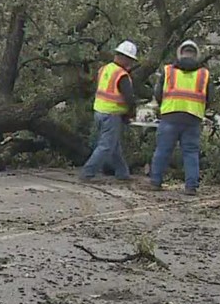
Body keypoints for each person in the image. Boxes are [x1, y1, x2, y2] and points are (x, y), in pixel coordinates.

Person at [148, 40, 212, 195]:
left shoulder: (168, 71)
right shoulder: (204, 74)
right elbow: (210, 98)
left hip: (170, 116)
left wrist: (165, 106)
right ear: (196, 55)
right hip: (193, 117)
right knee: (190, 153)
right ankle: (191, 186)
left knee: (163, 150)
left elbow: (158, 94)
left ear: (180, 53)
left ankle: (155, 182)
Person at [80, 41, 139, 181]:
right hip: (112, 113)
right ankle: (88, 172)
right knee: (106, 146)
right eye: (130, 59)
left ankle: (122, 173)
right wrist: (131, 113)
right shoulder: (122, 75)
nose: (131, 63)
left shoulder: (104, 69)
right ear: (125, 58)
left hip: (99, 111)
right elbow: (129, 98)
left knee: (114, 145)